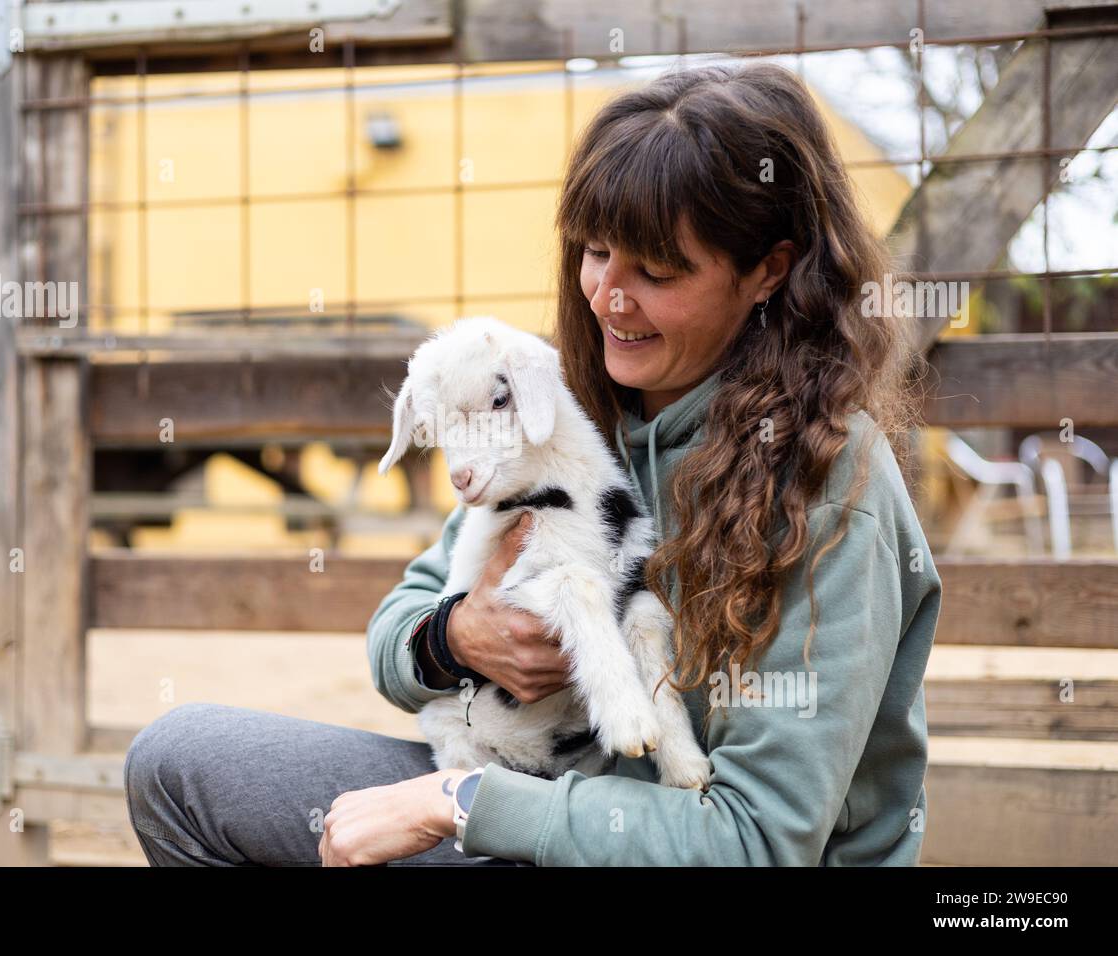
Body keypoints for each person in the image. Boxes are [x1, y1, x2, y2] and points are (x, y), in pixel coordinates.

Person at [124, 60, 941, 867]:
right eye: (594, 253)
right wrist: (457, 638)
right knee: (179, 761)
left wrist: (460, 806)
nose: (608, 297)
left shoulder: (831, 482)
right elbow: (394, 633)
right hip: (527, 797)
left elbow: (755, 842)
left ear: (767, 269)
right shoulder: (564, 418)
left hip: (671, 847)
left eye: (656, 271)